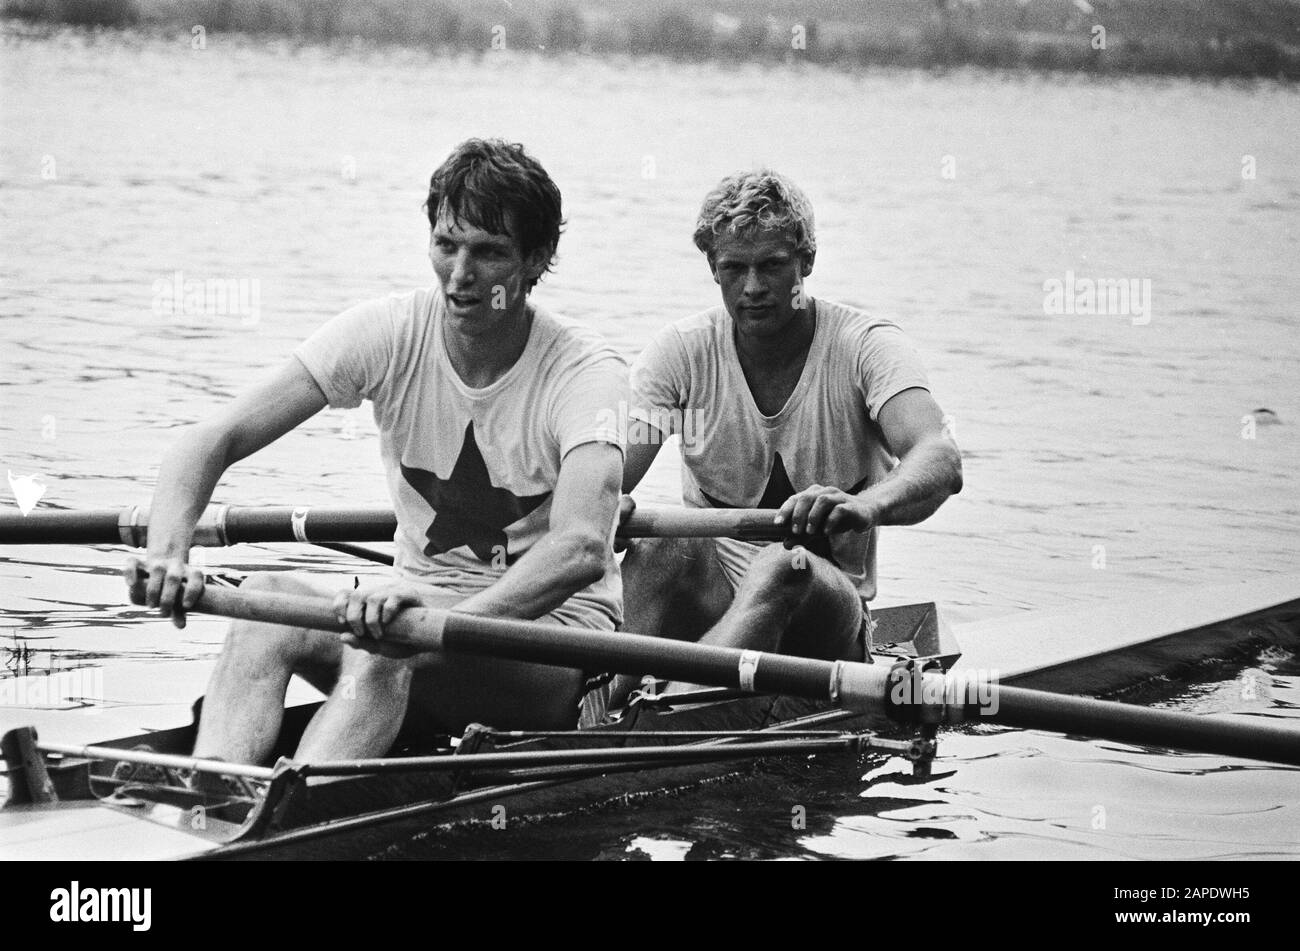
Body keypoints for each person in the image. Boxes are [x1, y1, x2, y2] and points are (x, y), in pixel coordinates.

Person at [125, 139, 628, 766]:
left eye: (488, 252)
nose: (461, 274)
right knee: (266, 603)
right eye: (447, 245)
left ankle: (297, 813)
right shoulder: (392, 332)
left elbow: (580, 549)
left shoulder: (585, 372)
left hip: (552, 653)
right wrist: (167, 556)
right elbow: (213, 439)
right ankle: (214, 793)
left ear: (537, 258)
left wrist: (435, 631)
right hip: (413, 619)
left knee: (385, 643)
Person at [614, 170, 962, 700]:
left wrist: (866, 505)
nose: (753, 288)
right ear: (713, 268)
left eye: (772, 266)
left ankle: (670, 710)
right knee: (664, 545)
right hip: (715, 598)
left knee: (786, 564)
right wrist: (596, 506)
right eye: (734, 268)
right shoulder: (681, 353)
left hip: (824, 618)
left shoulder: (865, 346)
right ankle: (609, 704)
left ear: (807, 262)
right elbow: (610, 472)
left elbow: (939, 458)